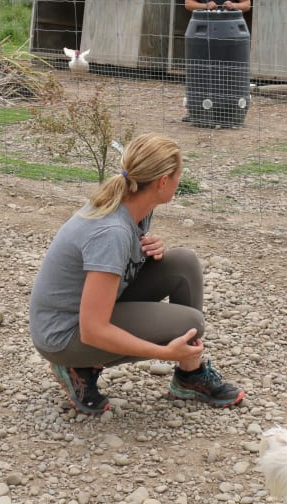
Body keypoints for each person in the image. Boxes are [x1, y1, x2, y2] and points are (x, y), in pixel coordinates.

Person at [29, 133, 245, 416]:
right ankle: (74, 365)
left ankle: (189, 376)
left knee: (184, 264)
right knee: (190, 324)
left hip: (85, 314)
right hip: (63, 336)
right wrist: (165, 353)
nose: (180, 182)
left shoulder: (134, 206)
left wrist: (144, 250)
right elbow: (93, 328)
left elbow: (115, 262)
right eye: (179, 175)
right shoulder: (112, 232)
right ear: (163, 182)